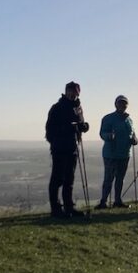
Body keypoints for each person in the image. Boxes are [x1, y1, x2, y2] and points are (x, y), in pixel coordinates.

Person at [45, 81, 89, 218]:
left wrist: (84, 127)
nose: (72, 94)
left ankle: (69, 208)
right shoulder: (57, 107)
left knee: (69, 179)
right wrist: (69, 129)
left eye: (75, 92)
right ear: (66, 91)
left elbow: (80, 124)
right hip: (59, 148)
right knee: (57, 179)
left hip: (72, 147)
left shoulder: (78, 108)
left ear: (78, 93)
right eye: (70, 91)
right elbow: (50, 130)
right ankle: (56, 208)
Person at [97, 95, 137, 209]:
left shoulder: (129, 120)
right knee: (109, 179)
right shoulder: (108, 118)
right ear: (116, 104)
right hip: (111, 154)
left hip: (125, 153)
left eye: (124, 103)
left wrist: (135, 140)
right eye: (120, 103)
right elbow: (102, 133)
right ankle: (103, 202)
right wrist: (109, 136)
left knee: (120, 179)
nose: (122, 105)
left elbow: (133, 134)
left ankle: (117, 201)